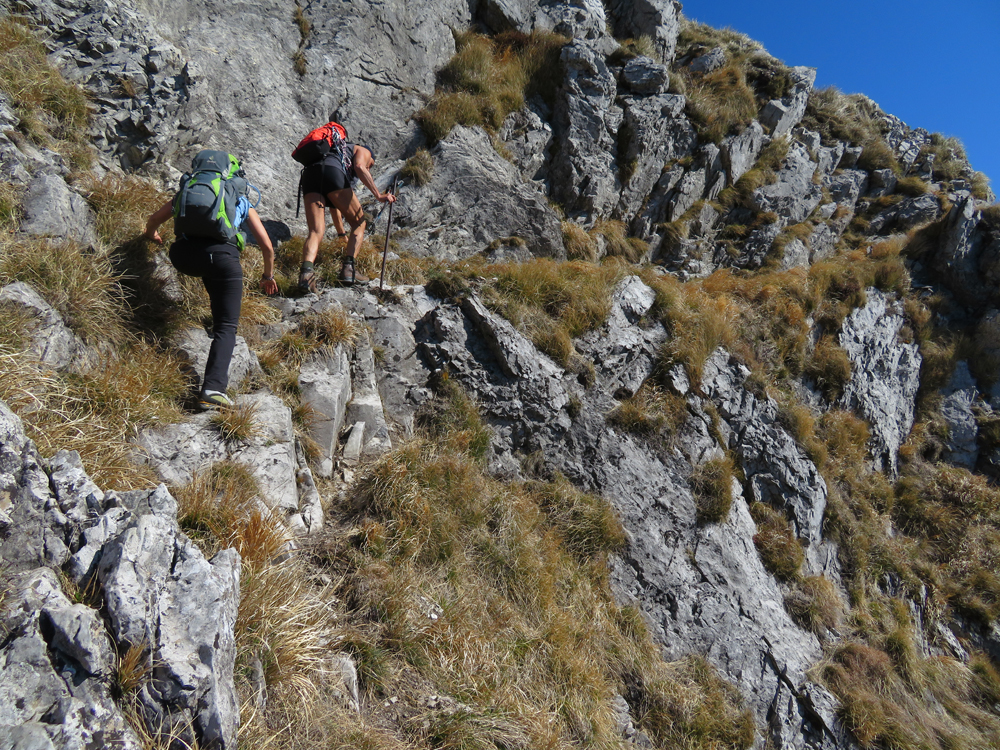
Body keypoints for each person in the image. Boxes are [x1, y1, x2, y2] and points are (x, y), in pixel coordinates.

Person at [144, 168, 279, 410]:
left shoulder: (189, 192)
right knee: (226, 326)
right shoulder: (241, 201)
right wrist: (267, 275)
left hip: (182, 256)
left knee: (211, 274)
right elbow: (267, 247)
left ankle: (213, 311)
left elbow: (153, 220)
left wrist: (151, 235)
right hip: (222, 258)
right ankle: (213, 390)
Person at [297, 120, 395, 291]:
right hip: (332, 173)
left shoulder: (335, 153)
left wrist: (341, 233)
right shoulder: (362, 151)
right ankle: (349, 269)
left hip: (310, 175)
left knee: (315, 231)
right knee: (359, 223)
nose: (369, 167)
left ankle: (306, 274)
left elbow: (336, 207)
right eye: (371, 164)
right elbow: (359, 166)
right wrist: (379, 195)